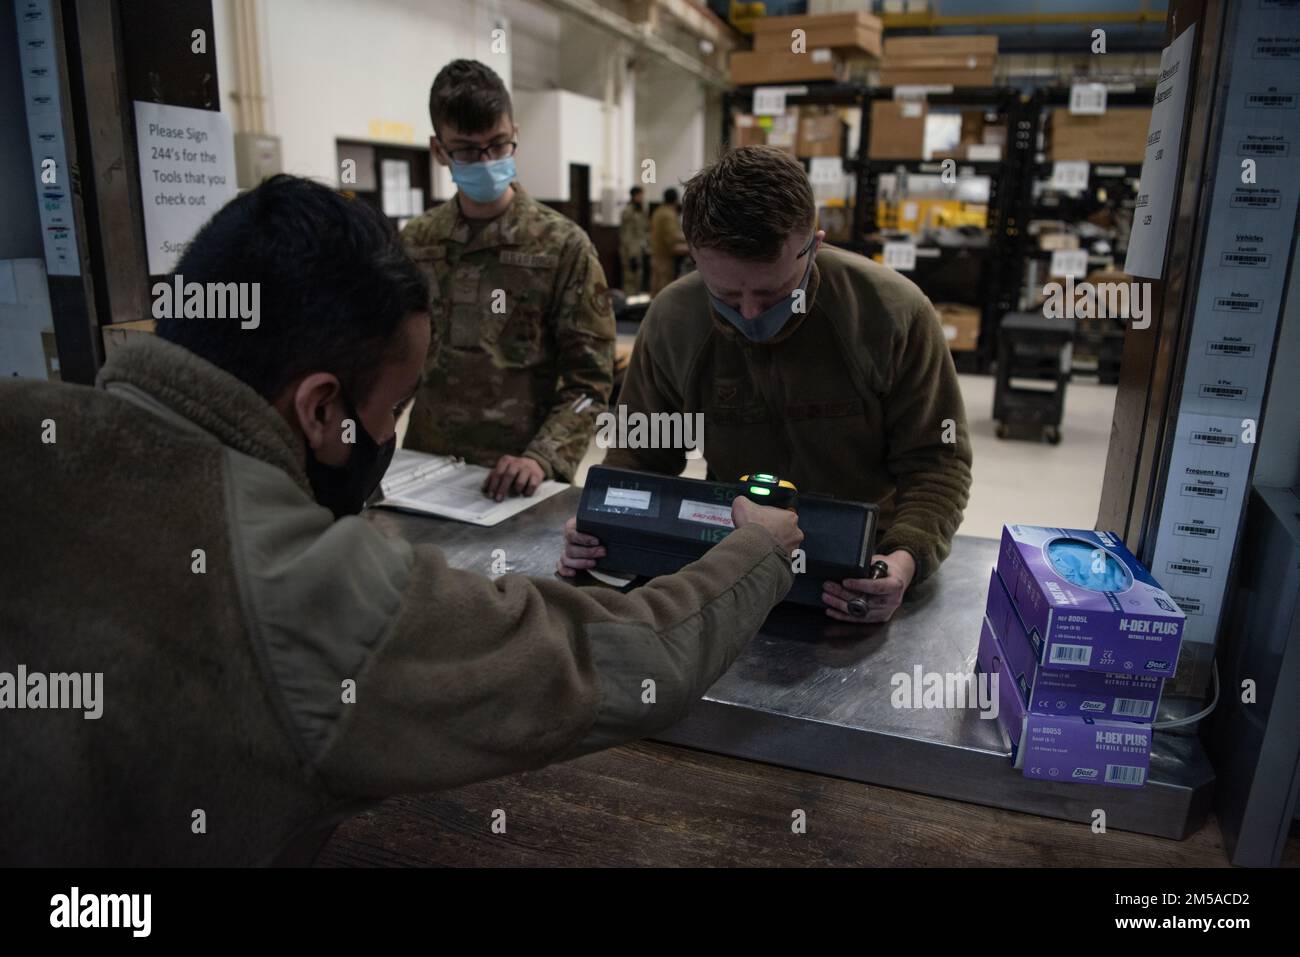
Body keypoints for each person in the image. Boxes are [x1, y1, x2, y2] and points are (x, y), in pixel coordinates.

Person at [0, 174, 804, 866]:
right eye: (392, 410)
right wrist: (756, 551)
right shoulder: (303, 588)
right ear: (322, 408)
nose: (387, 438)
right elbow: (609, 658)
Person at [559, 146, 973, 624]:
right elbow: (640, 457)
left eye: (773, 293)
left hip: (859, 566)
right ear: (693, 255)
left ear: (814, 244)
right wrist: (601, 522)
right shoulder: (674, 319)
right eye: (727, 295)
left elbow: (937, 462)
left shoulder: (891, 314)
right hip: (726, 556)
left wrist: (905, 559)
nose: (751, 314)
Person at [401, 59, 614, 500]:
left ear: (514, 132)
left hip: (523, 477)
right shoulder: (416, 243)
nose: (486, 161)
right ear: (439, 150)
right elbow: (389, 360)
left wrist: (543, 456)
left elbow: (589, 384)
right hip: (426, 470)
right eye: (467, 149)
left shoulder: (562, 246)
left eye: (499, 145)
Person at [649, 186, 688, 296]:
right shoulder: (668, 215)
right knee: (663, 291)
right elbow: (673, 238)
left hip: (657, 255)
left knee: (655, 289)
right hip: (665, 259)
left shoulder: (658, 211)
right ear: (676, 200)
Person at [619, 185, 649, 294]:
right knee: (630, 276)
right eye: (641, 195)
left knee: (638, 276)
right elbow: (626, 234)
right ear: (635, 196)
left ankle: (635, 299)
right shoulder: (628, 211)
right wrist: (631, 253)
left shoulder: (641, 210)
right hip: (629, 250)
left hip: (638, 248)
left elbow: (643, 230)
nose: (642, 197)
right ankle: (629, 300)